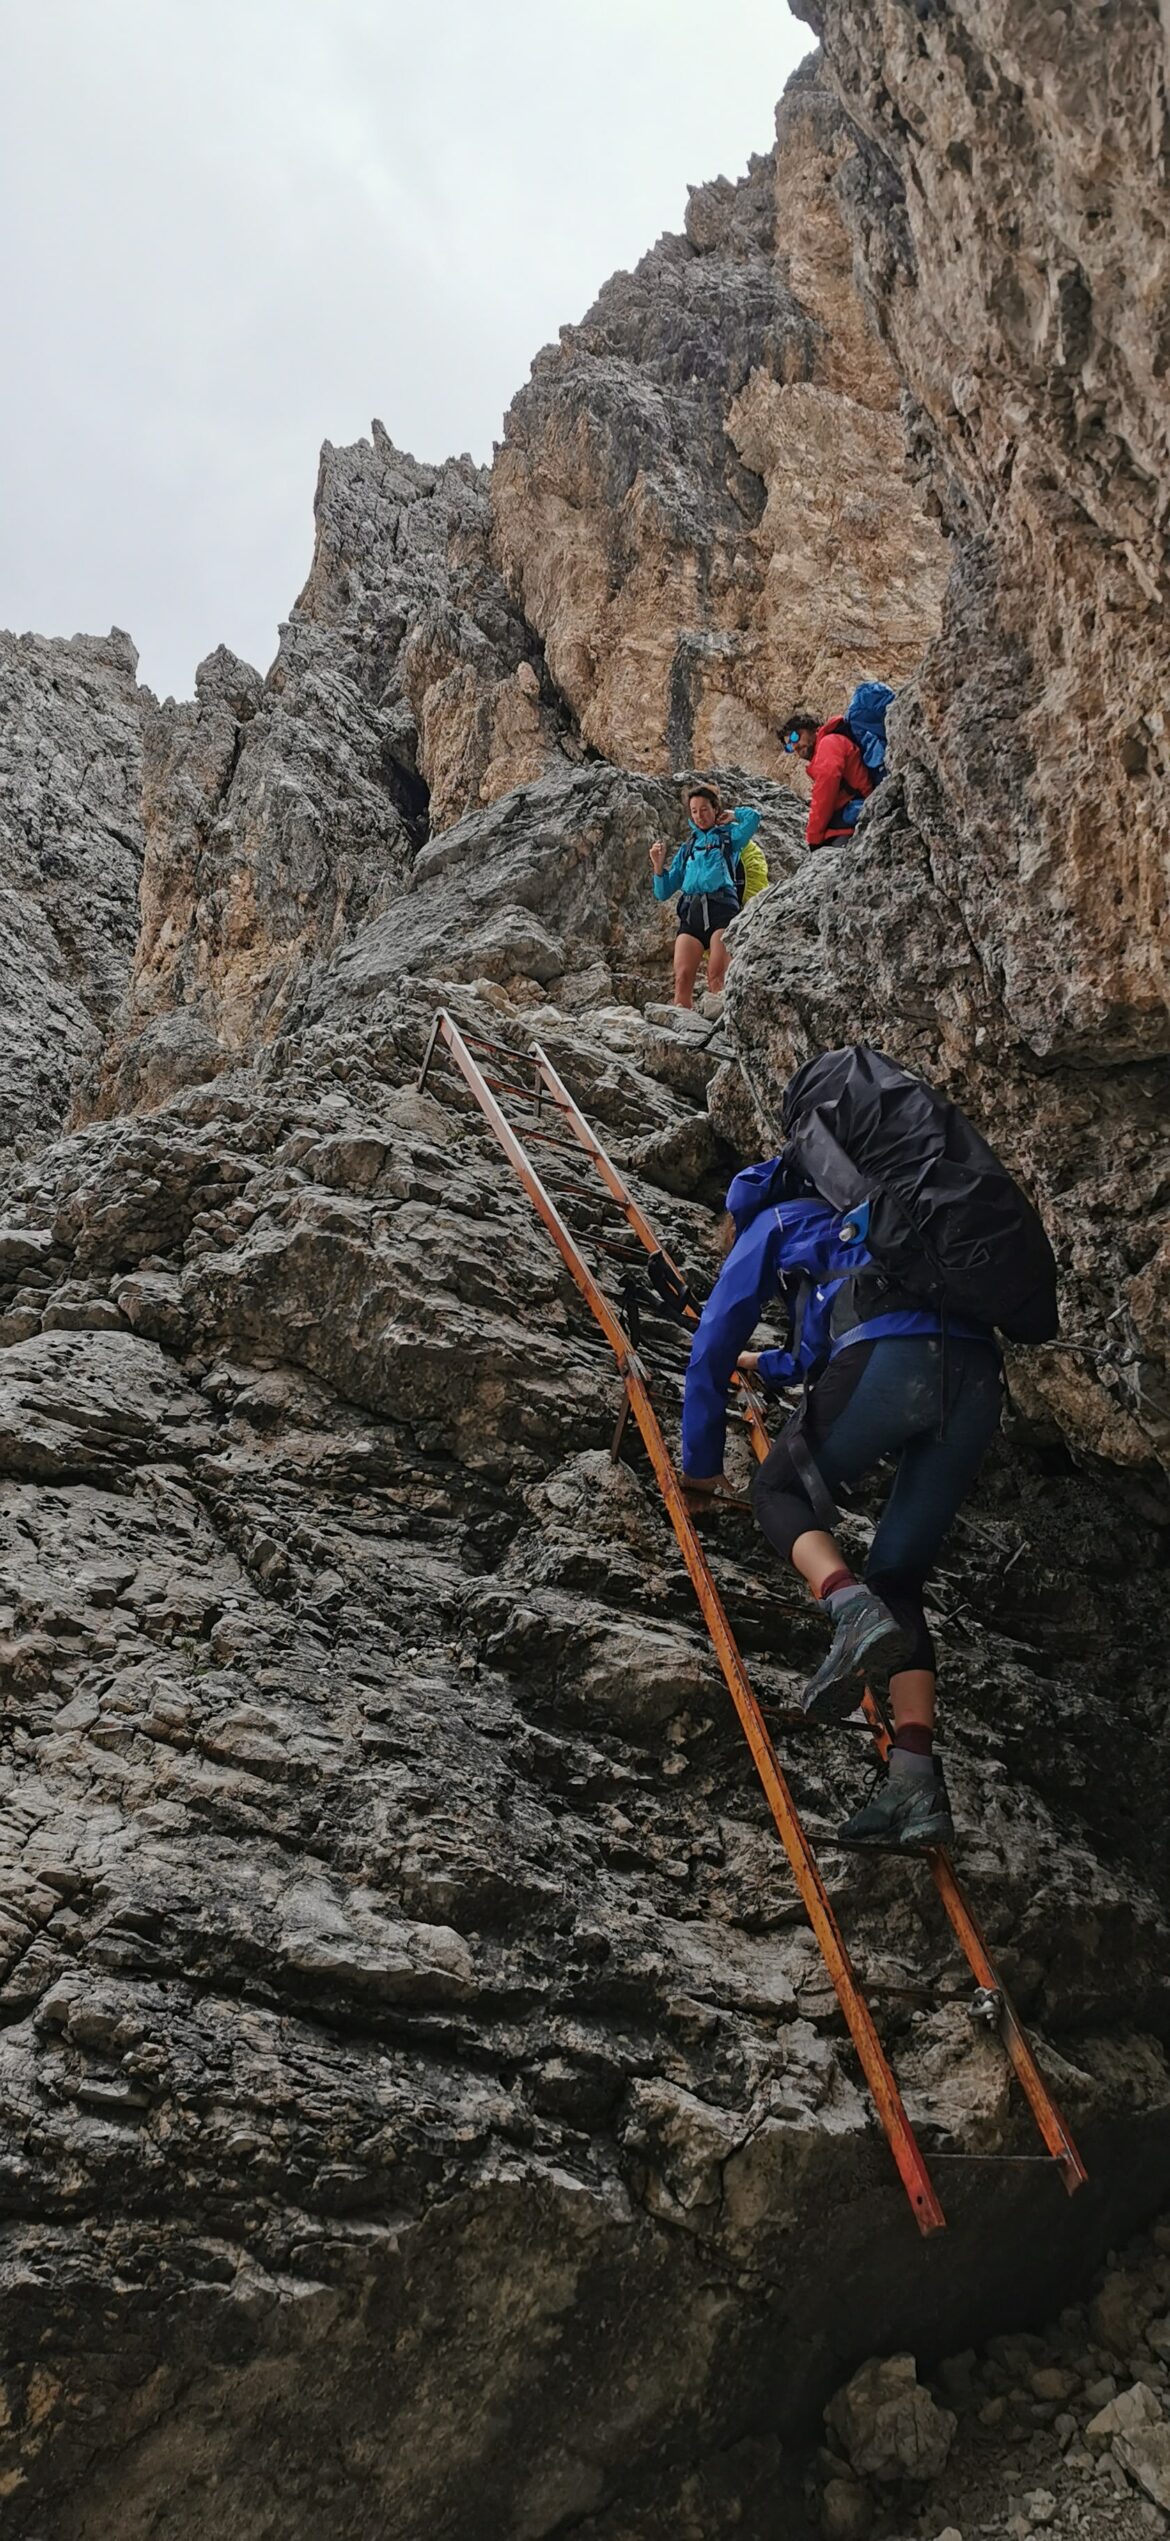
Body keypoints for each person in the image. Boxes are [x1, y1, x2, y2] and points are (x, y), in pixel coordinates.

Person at [680, 1157, 1003, 1851]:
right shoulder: (875, 1233)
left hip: (893, 1361)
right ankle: (915, 1784)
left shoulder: (770, 1222)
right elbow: (810, 1357)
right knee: (899, 1578)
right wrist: (761, 1366)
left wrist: (701, 1467)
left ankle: (846, 1608)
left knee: (779, 1489)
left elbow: (709, 1346)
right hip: (975, 1372)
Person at [649, 785, 765, 1011]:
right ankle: (683, 1037)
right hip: (691, 913)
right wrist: (658, 866)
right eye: (694, 811)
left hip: (722, 910)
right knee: (682, 979)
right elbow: (663, 892)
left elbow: (753, 818)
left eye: (704, 809)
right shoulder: (688, 847)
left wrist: (732, 815)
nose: (699, 816)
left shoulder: (728, 837)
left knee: (717, 977)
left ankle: (721, 1035)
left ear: (715, 809)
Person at [782, 710, 873, 849]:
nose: (795, 746)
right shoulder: (825, 749)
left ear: (812, 729)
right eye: (789, 746)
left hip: (854, 820)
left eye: (795, 737)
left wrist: (813, 838)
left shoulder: (828, 743)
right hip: (849, 821)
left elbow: (826, 788)